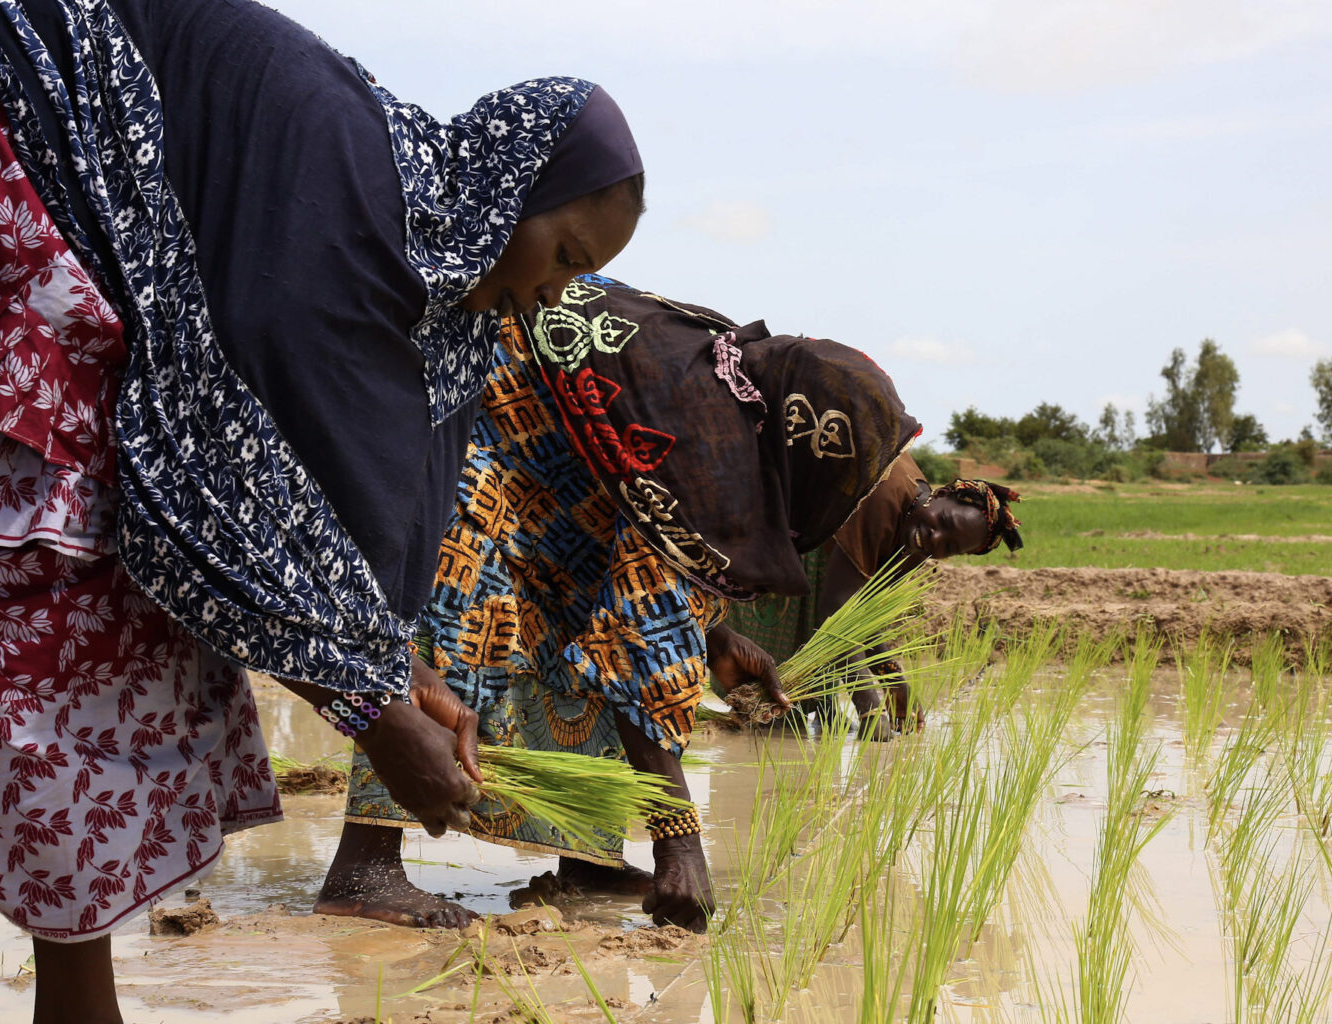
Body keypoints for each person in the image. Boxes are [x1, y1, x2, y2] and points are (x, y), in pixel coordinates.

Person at [0, 0, 643, 1020]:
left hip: (65, 236)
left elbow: (321, 501)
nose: (553, 296)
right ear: (511, 188)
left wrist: (396, 665)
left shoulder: (421, 266)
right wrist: (368, 708)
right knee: (57, 583)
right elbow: (218, 480)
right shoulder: (345, 203)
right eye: (568, 256)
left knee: (104, 626)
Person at [318, 277, 924, 933]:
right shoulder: (710, 447)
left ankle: (588, 857)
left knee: (587, 627)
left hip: (541, 471)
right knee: (462, 611)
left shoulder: (729, 399)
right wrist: (680, 845)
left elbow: (639, 566)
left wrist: (716, 637)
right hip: (461, 428)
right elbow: (644, 642)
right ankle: (362, 868)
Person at [724, 455, 1023, 739]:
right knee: (778, 690)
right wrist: (869, 707)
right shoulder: (887, 494)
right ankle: (768, 715)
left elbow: (862, 615)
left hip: (822, 555)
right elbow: (836, 614)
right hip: (777, 520)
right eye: (944, 521)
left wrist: (893, 681)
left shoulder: (918, 538)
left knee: (801, 691)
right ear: (941, 494)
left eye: (949, 548)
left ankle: (809, 712)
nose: (936, 538)